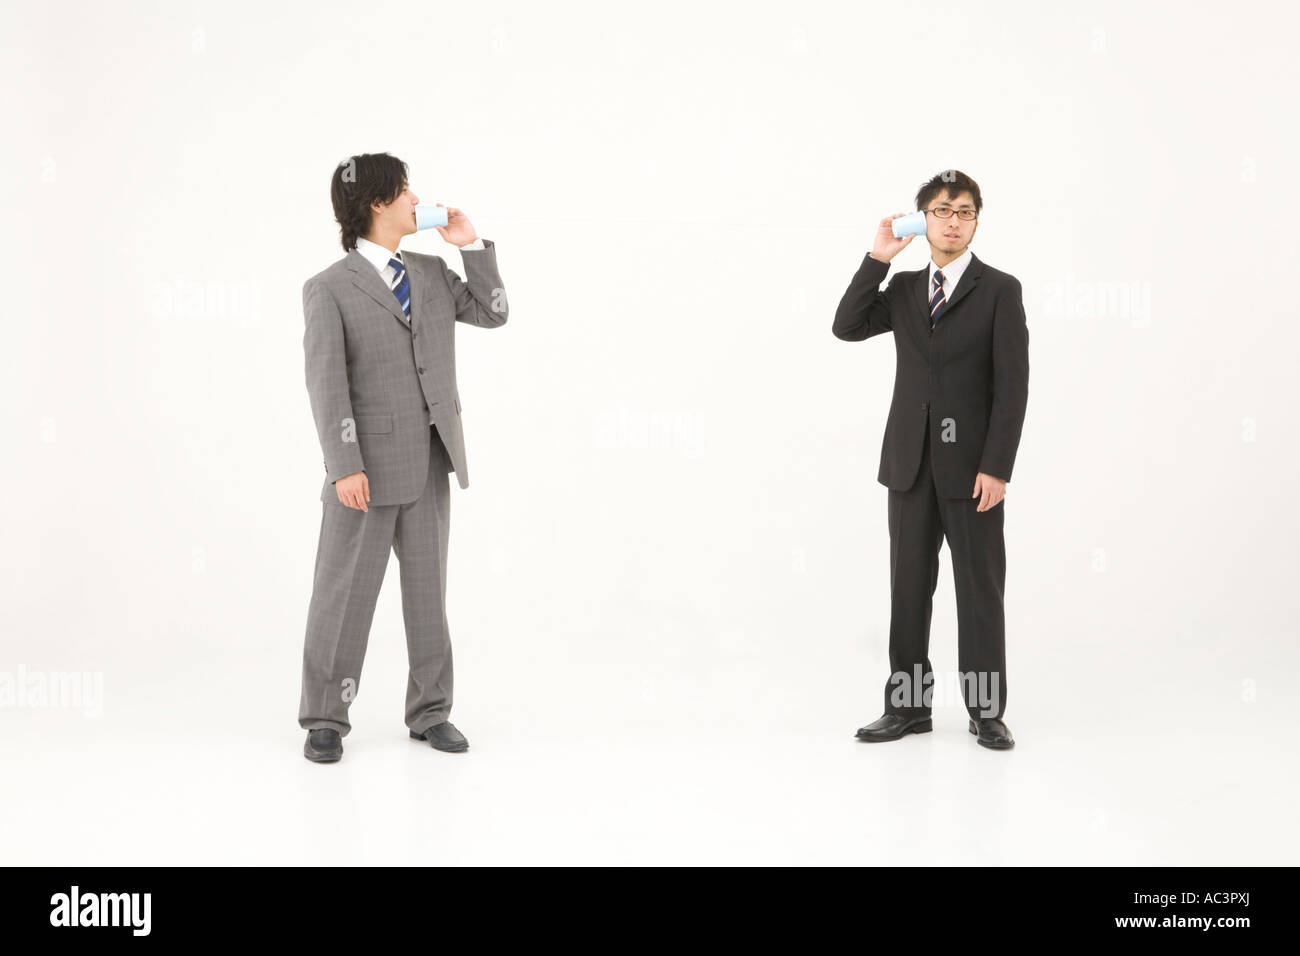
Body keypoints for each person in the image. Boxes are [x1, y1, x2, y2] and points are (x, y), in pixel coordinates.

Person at [298, 152, 508, 762]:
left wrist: (471, 246)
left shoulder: (433, 271)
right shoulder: (329, 289)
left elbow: (494, 313)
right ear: (376, 203)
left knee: (426, 596)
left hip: (430, 462)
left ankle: (430, 711)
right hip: (363, 472)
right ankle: (325, 718)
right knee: (342, 596)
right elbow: (325, 383)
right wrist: (344, 466)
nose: (417, 199)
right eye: (406, 191)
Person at [832, 170, 1028, 750]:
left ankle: (986, 711)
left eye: (964, 212)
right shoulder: (904, 291)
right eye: (942, 210)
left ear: (975, 222)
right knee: (909, 590)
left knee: (979, 590)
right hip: (910, 467)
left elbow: (1012, 386)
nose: (953, 221)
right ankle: (909, 708)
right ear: (924, 218)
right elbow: (846, 326)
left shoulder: (999, 289)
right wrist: (878, 258)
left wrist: (997, 465)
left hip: (973, 475)